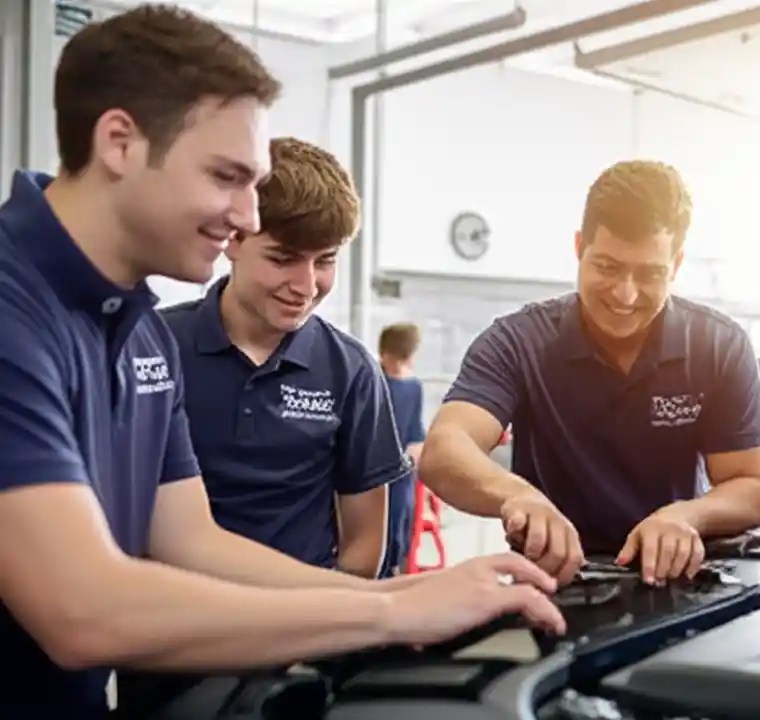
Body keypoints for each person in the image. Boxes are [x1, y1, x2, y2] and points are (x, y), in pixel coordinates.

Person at [0, 7, 561, 717]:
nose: (246, 215)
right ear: (120, 142)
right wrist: (390, 617)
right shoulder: (14, 309)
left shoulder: (137, 333)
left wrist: (403, 591)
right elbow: (83, 610)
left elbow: (191, 541)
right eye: (226, 177)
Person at [420, 160, 760, 586]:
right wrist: (517, 496)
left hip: (678, 582)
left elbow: (749, 484)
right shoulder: (518, 341)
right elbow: (445, 449)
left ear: (676, 264)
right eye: (607, 267)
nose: (625, 294)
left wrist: (686, 516)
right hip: (554, 585)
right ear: (578, 247)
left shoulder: (719, 346)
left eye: (650, 274)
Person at [163, 137, 403, 579]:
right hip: (177, 620)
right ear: (233, 238)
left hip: (303, 626)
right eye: (282, 259)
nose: (306, 285)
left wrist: (322, 623)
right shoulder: (155, 347)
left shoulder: (351, 370)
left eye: (325, 262)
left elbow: (365, 542)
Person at [378, 322, 428, 575]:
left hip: (402, 474)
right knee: (378, 527)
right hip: (375, 471)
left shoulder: (413, 388)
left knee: (400, 524)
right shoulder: (373, 382)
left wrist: (412, 460)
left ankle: (396, 570)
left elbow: (416, 434)